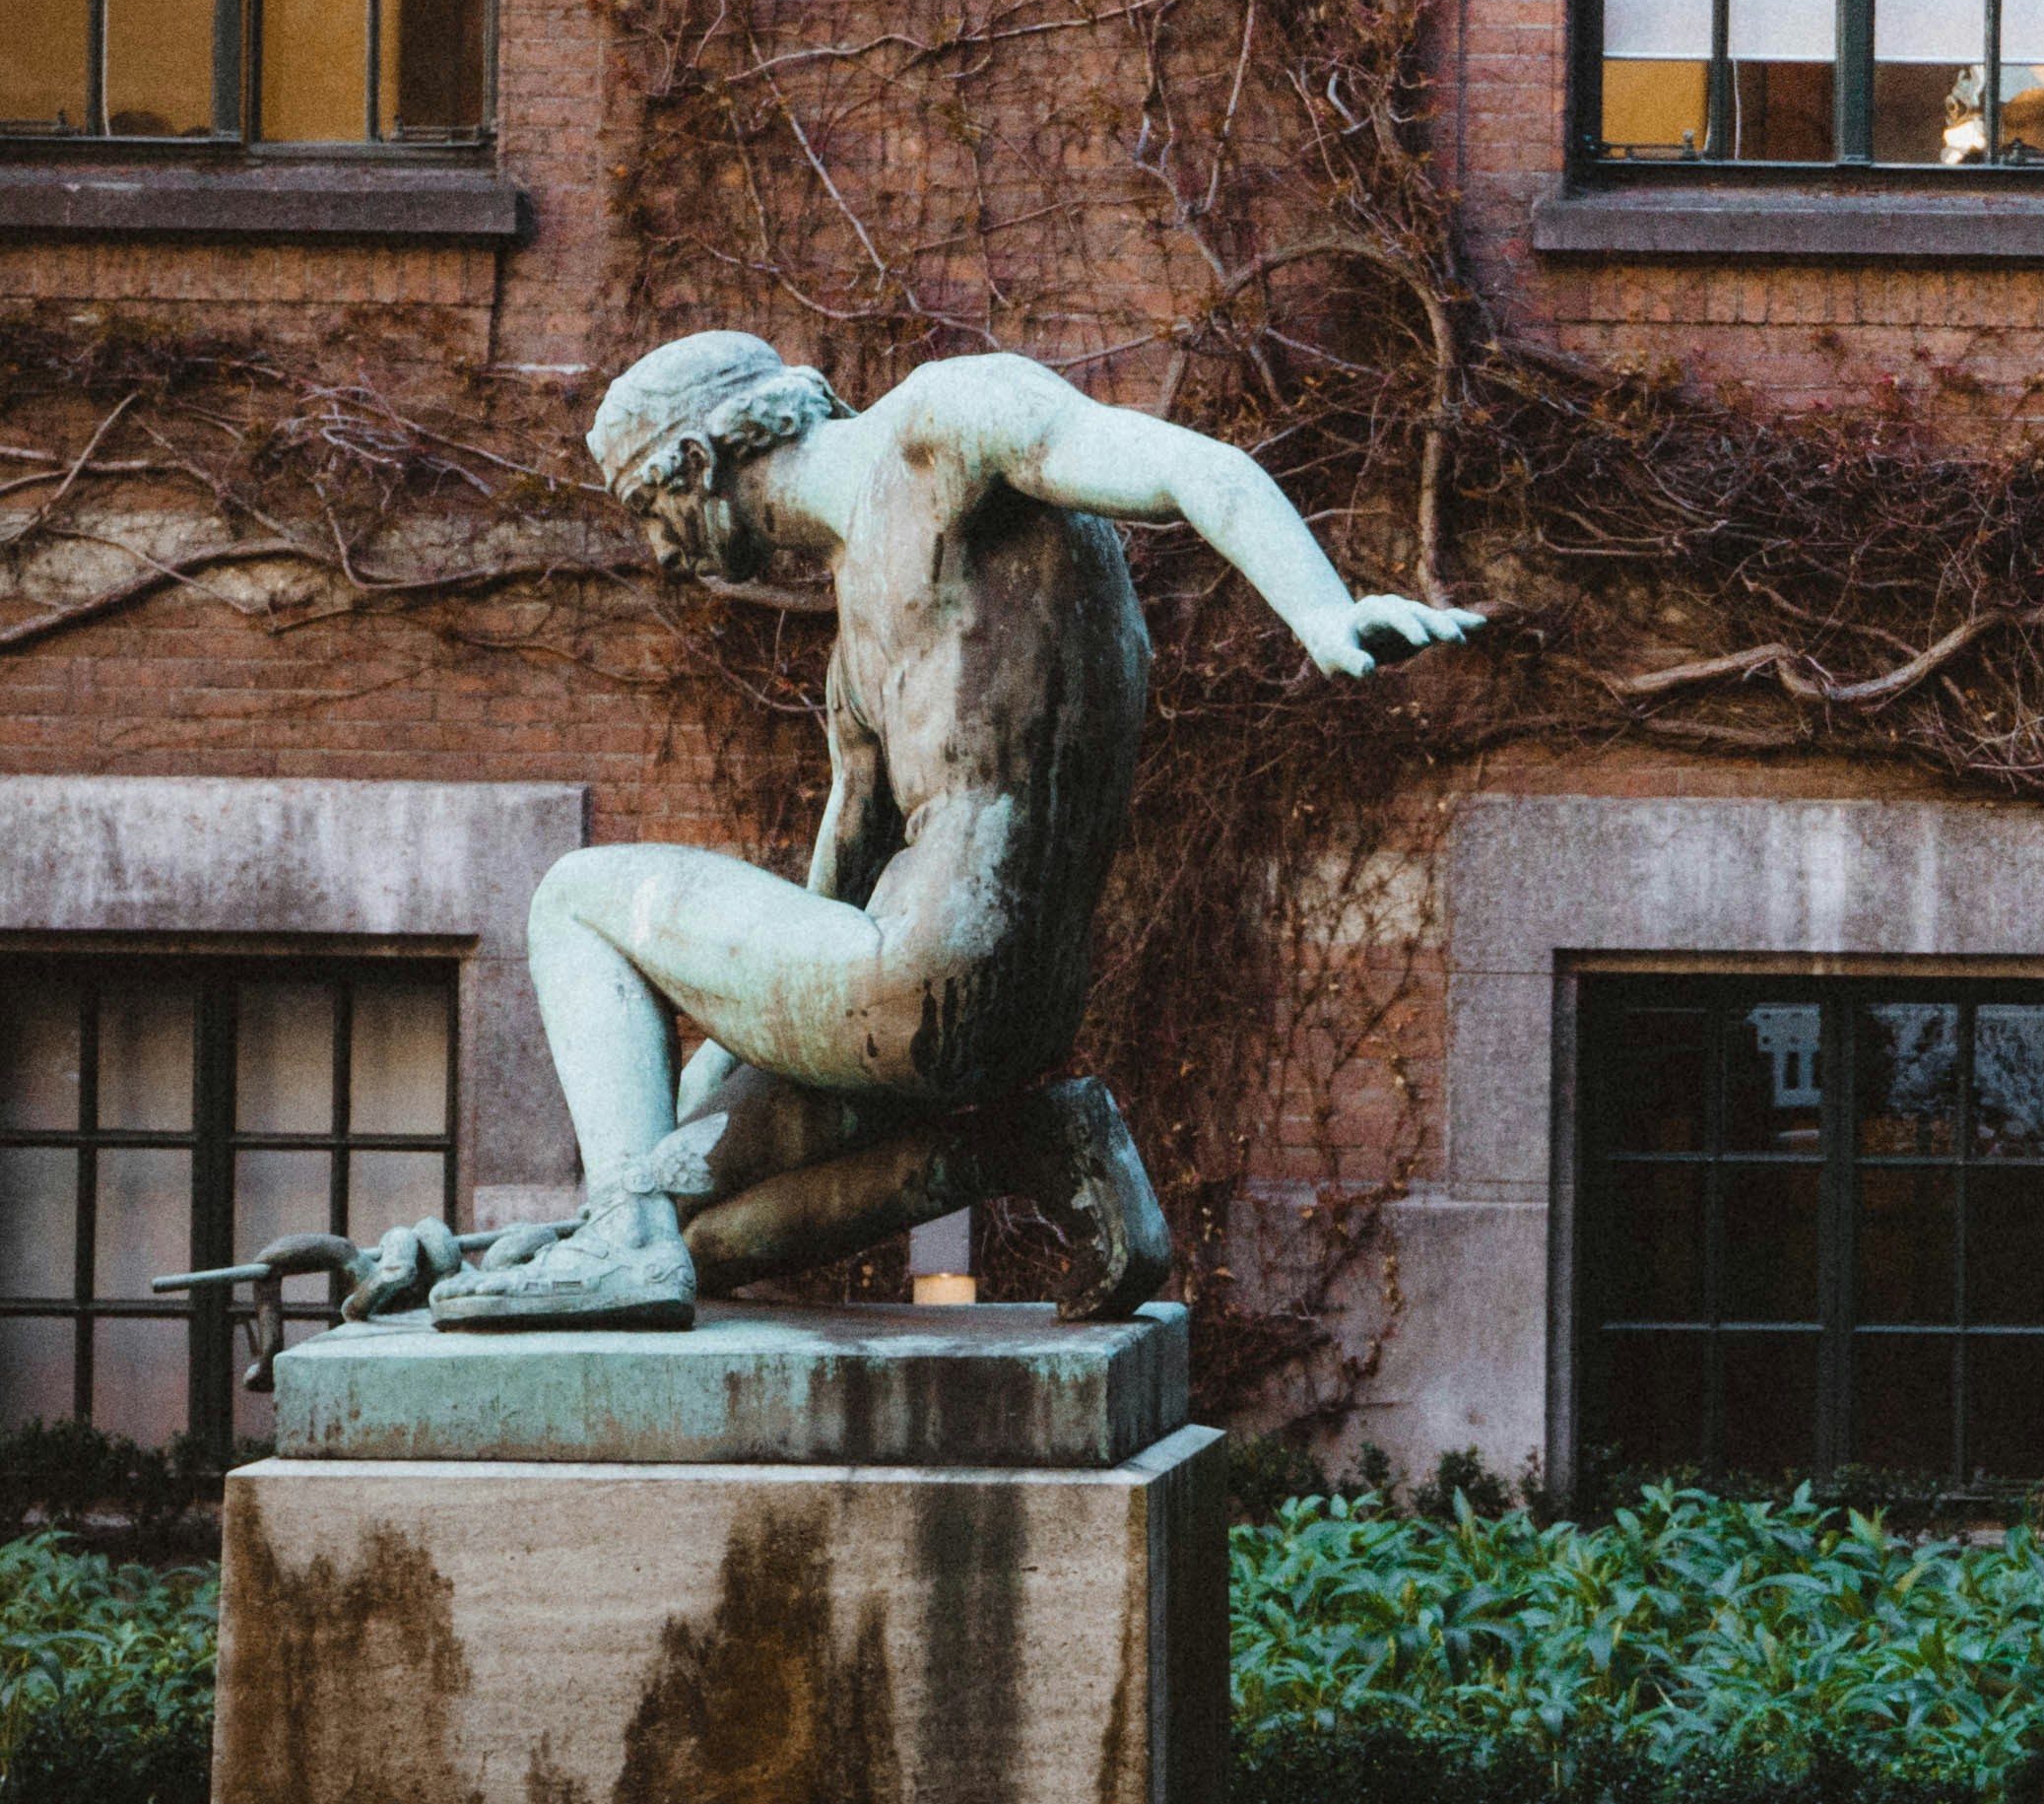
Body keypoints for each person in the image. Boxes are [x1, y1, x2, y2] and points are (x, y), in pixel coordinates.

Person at [427, 333, 1474, 1330]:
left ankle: (625, 1239)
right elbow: (819, 906)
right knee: (692, 1232)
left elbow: (1182, 462)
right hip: (1018, 1005)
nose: (659, 551)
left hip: (917, 971)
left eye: (650, 510)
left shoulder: (937, 426)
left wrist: (1320, 609)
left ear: (696, 462)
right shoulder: (857, 643)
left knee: (572, 895)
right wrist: (636, 1172)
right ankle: (1014, 1148)